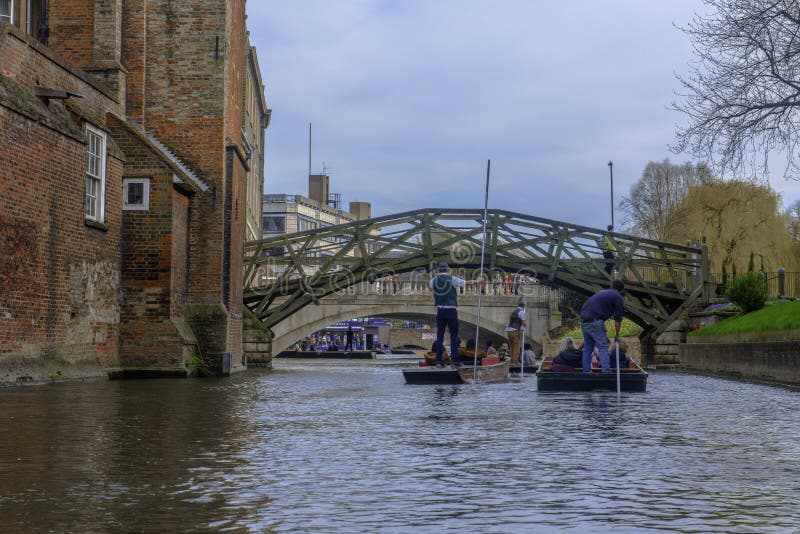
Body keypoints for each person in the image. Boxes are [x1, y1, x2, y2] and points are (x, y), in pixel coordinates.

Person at [580, 279, 625, 373]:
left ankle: (586, 372)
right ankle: (606, 373)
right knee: (603, 346)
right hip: (595, 320)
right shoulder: (618, 297)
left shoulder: (603, 292)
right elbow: (618, 319)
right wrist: (617, 335)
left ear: (612, 286)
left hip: (584, 319)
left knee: (588, 347)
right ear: (622, 290)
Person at [429, 261, 466, 367]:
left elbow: (430, 289)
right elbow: (465, 283)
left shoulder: (432, 281)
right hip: (451, 311)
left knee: (439, 336)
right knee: (454, 336)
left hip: (440, 311)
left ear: (438, 270)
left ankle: (438, 361)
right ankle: (454, 361)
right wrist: (477, 281)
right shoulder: (452, 279)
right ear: (448, 270)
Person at [505, 300, 526, 365]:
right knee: (517, 347)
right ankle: (515, 362)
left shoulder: (514, 311)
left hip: (509, 331)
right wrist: (524, 326)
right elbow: (523, 322)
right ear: (523, 306)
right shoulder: (521, 312)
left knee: (512, 347)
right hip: (514, 331)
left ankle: (512, 361)